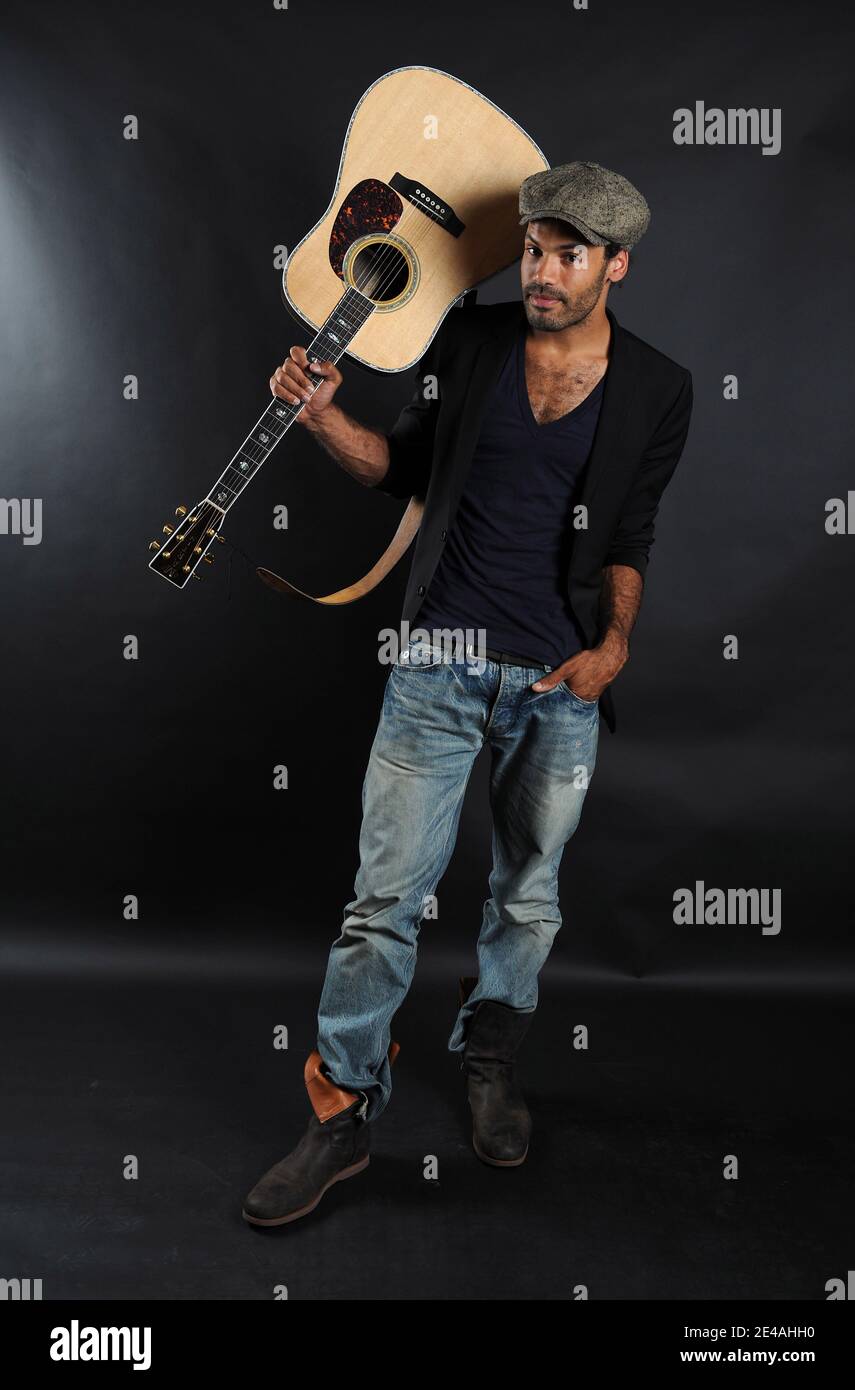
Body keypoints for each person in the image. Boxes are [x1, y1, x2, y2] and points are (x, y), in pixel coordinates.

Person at [242, 160, 694, 1226]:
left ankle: (488, 1054)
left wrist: (614, 646)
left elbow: (629, 535)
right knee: (383, 901)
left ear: (614, 266)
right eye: (532, 248)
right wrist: (318, 415)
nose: (539, 271)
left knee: (527, 897)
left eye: (566, 255)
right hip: (435, 665)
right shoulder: (471, 340)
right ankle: (343, 1109)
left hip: (558, 683)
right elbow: (395, 469)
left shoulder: (658, 388)